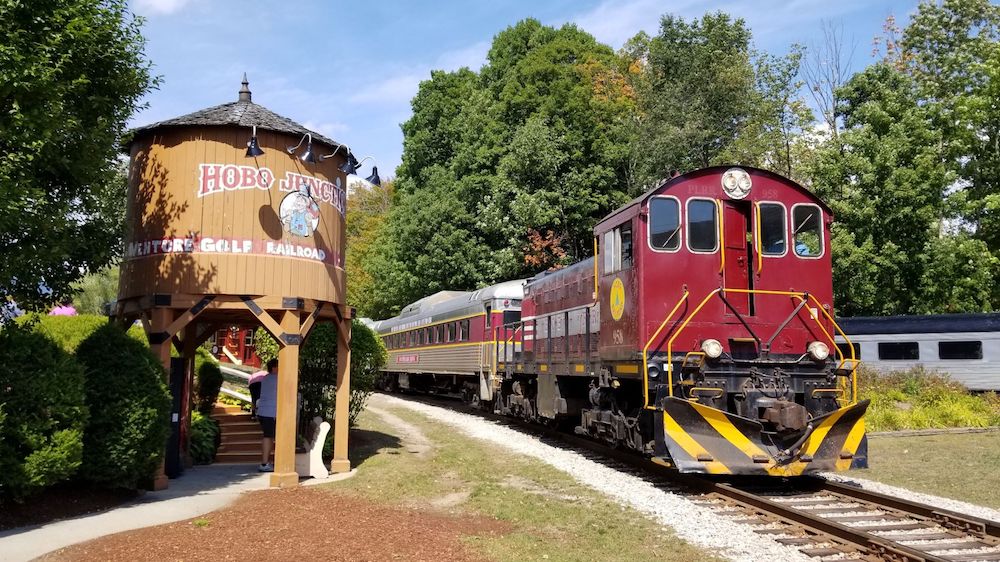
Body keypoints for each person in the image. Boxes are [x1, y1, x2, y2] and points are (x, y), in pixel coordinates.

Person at [256, 359, 279, 472]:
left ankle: (266, 462)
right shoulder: (277, 379)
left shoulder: (266, 378)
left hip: (263, 411)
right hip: (271, 412)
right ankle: (265, 463)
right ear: (274, 368)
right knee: (269, 437)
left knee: (268, 436)